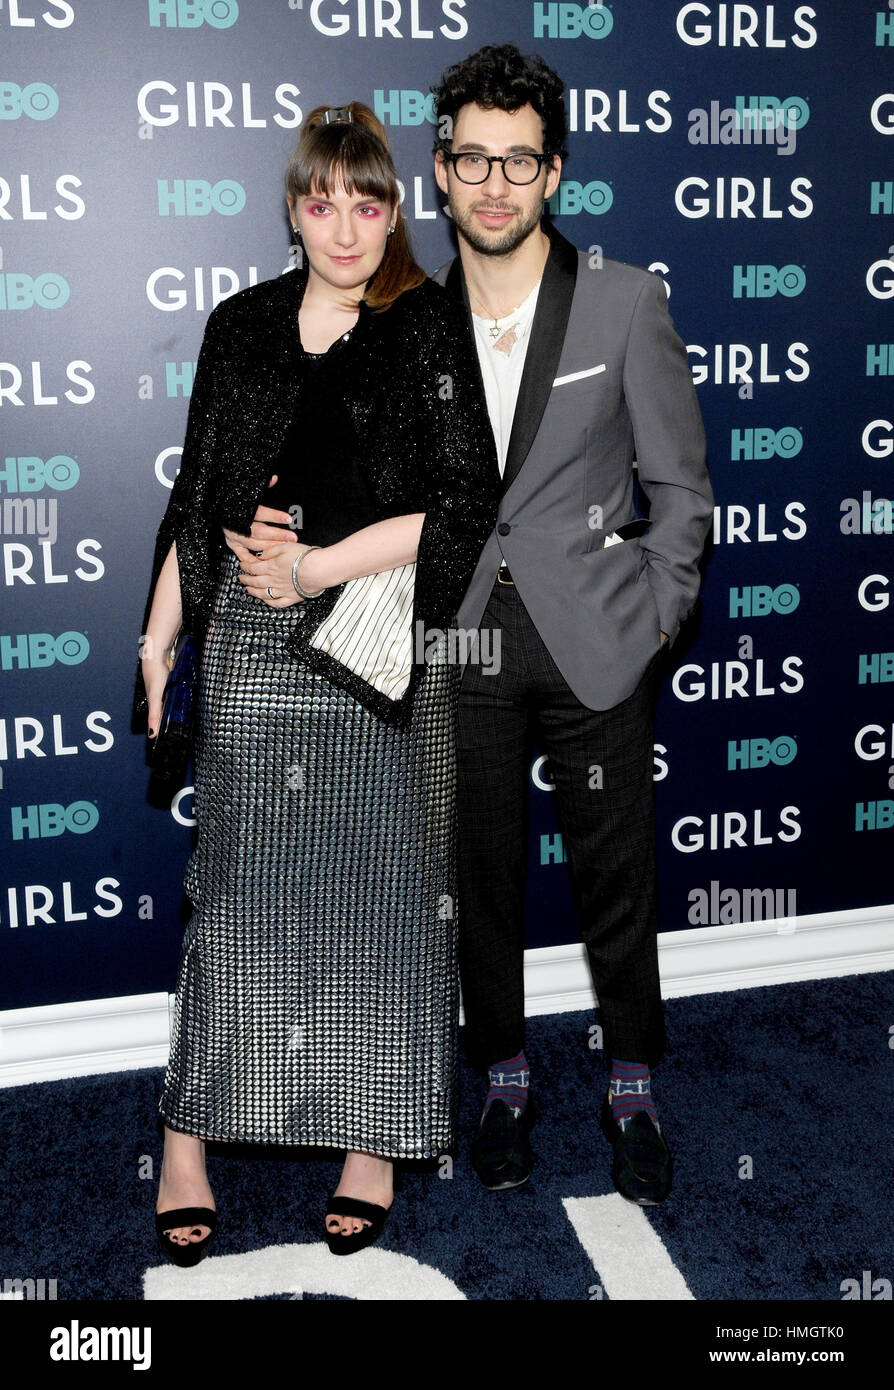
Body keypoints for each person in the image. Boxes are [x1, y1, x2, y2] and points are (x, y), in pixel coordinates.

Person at [133, 101, 499, 1262]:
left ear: (398, 208)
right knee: (233, 895)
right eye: (321, 199)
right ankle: (188, 1134)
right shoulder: (240, 326)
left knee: (385, 903)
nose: (345, 225)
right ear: (292, 207)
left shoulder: (427, 327)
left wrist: (319, 564)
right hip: (246, 643)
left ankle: (371, 1142)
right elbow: (199, 497)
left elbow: (464, 501)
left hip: (375, 646)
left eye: (369, 200)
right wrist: (158, 636)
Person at [428, 44, 714, 1203]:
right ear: (438, 172)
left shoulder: (623, 297)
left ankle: (632, 1080)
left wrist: (656, 617)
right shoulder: (407, 319)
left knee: (617, 878)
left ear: (554, 174)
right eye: (472, 159)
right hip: (460, 640)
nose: (495, 184)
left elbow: (681, 490)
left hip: (597, 634)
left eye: (520, 161)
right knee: (480, 872)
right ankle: (501, 1077)